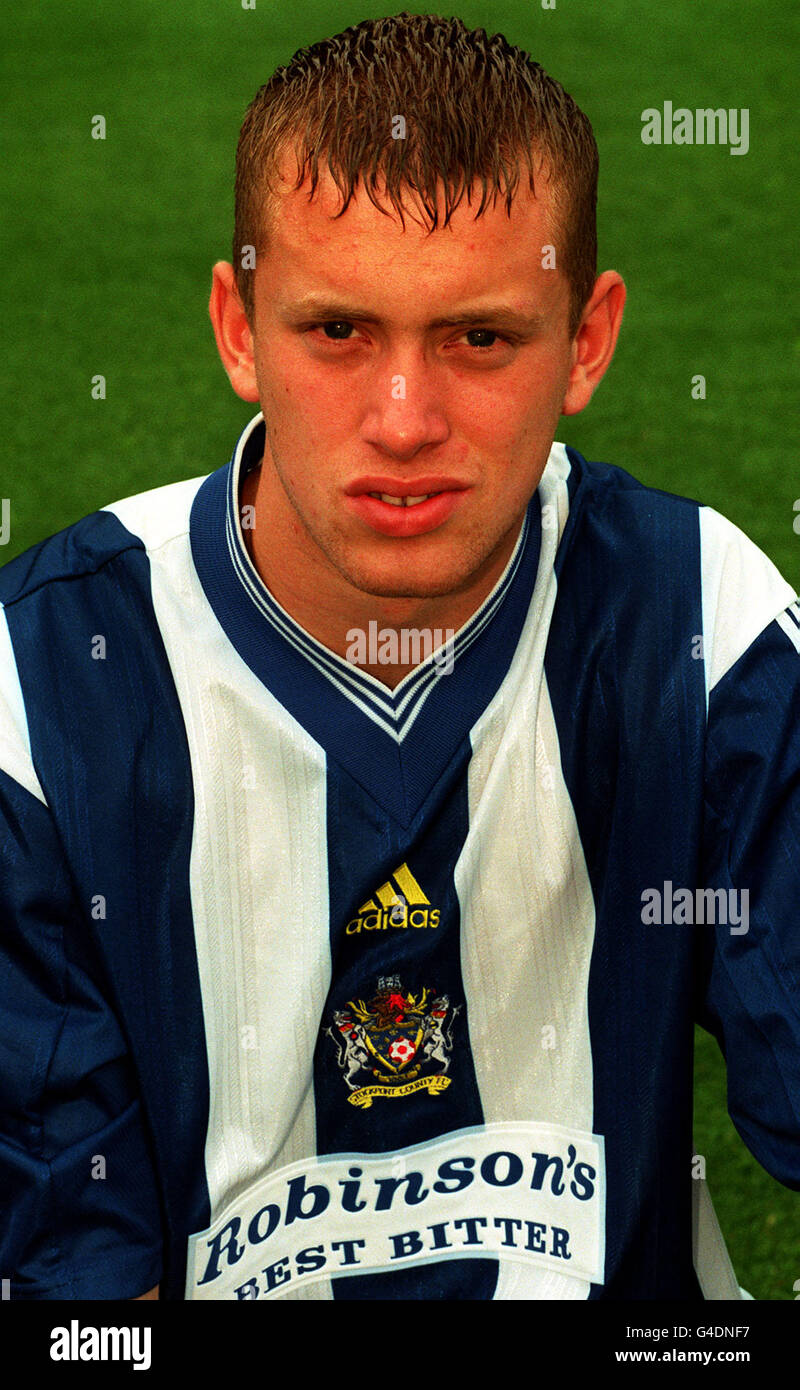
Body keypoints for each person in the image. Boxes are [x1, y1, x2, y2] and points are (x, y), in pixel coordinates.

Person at [1, 12, 798, 1303]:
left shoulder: (703, 627)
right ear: (238, 326)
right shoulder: (41, 697)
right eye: (338, 332)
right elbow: (81, 1297)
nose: (406, 420)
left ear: (587, 340)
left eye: (480, 338)